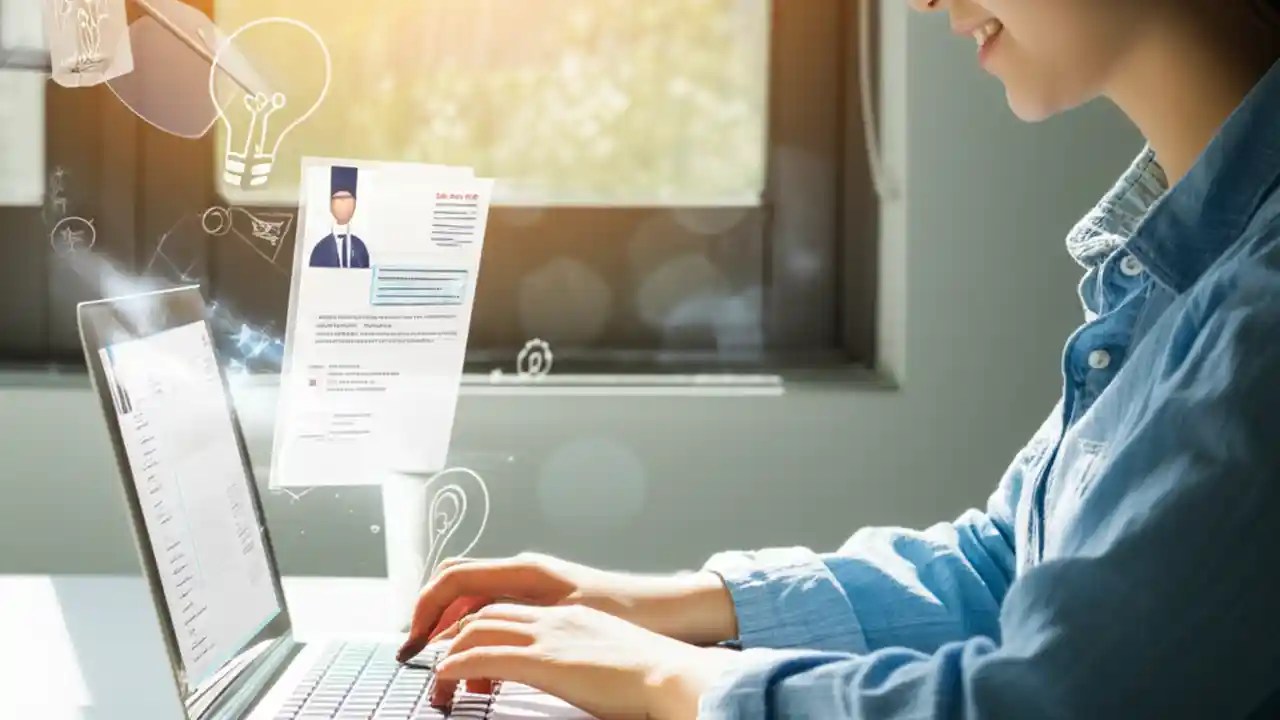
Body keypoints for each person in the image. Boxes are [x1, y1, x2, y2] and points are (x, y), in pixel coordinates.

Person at [396, 0, 1280, 717]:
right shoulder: (1180, 266)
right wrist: (656, 605)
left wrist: (675, 679)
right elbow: (1009, 568)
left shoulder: (1262, 304)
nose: (923, 1)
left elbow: (1057, 702)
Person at [309, 165, 371, 269]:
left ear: (355, 203)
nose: (343, 203)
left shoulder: (359, 248)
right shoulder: (320, 249)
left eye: (348, 198)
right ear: (331, 204)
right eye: (338, 198)